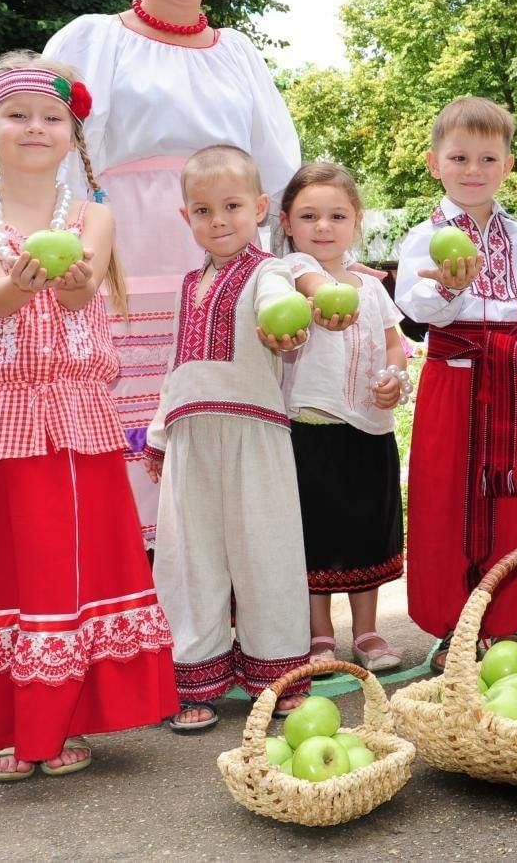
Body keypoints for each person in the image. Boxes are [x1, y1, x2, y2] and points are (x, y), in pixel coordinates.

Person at [0, 52, 177, 781]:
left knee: (68, 565)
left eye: (52, 116)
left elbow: (85, 296)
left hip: (69, 409)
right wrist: (22, 284)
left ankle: (57, 725)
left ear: (72, 135)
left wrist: (79, 281)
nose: (35, 127)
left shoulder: (94, 213)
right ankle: (7, 725)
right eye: (17, 115)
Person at [45, 0, 301, 546]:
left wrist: (289, 265)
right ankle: (127, 570)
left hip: (221, 254)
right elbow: (50, 145)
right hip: (121, 252)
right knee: (124, 406)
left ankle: (215, 571)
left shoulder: (238, 53)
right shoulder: (93, 39)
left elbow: (277, 168)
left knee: (212, 399)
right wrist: (68, 246)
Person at [144, 146, 311, 731]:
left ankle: (279, 676)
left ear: (261, 208)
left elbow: (281, 303)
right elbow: (175, 366)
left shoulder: (272, 272)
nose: (218, 220)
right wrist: (161, 434)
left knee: (266, 552)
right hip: (191, 438)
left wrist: (284, 321)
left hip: (253, 431)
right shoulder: (188, 285)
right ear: (185, 217)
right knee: (190, 560)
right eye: (203, 210)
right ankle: (196, 679)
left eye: (233, 206)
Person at [394, 98, 517, 673]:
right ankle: (453, 626)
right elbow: (415, 307)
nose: (473, 169)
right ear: (433, 162)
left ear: (508, 165)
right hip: (454, 383)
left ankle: (507, 625)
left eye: (487, 157)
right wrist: (444, 289)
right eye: (459, 156)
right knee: (446, 497)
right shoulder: (425, 237)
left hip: (513, 387)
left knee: (515, 499)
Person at [276, 162, 407, 674]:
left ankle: (369, 630)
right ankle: (320, 634)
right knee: (316, 534)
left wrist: (394, 377)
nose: (323, 226)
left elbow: (394, 345)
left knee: (364, 531)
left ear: (357, 221)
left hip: (369, 429)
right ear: (287, 222)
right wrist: (320, 291)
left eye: (337, 215)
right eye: (309, 216)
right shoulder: (287, 275)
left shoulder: (372, 288)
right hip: (311, 429)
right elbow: (309, 280)